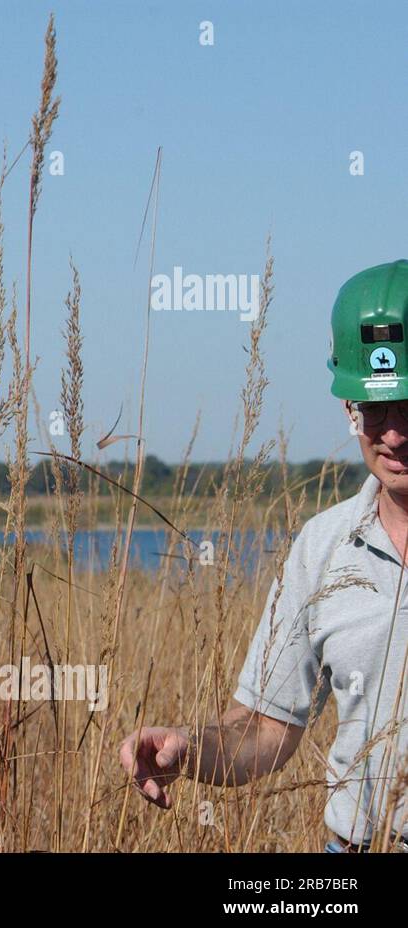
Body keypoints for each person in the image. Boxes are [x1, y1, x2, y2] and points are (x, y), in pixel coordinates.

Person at [119, 259, 408, 852]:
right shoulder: (322, 548)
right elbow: (267, 728)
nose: (395, 433)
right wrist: (187, 747)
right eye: (373, 408)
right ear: (347, 407)